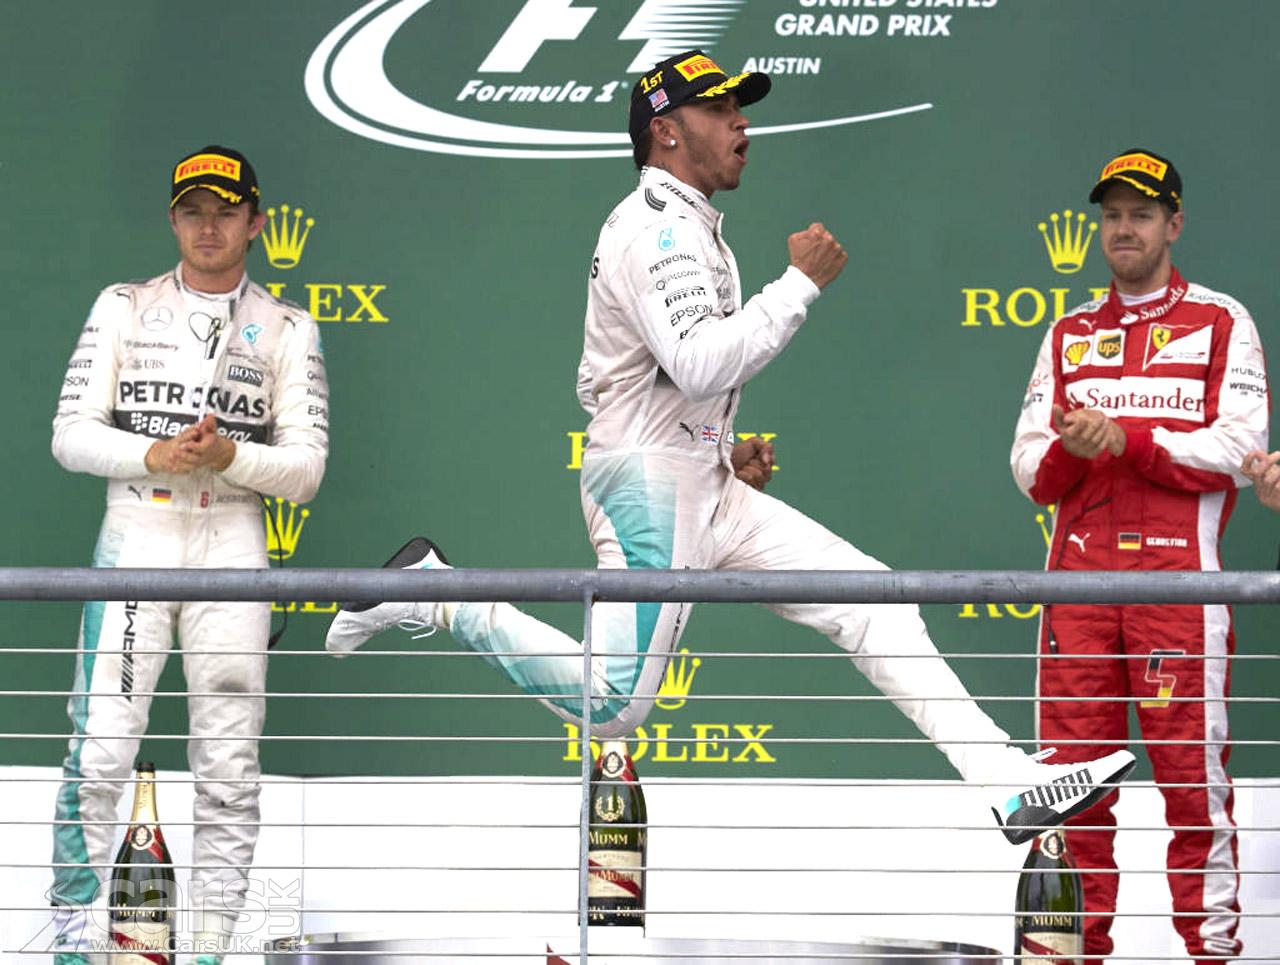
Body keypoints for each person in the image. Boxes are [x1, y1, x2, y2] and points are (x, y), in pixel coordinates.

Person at [327, 52, 1133, 844]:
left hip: (693, 477)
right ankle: (435, 593)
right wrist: (799, 285)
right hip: (649, 487)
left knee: (872, 598)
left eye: (738, 108)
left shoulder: (683, 225)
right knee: (614, 707)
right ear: (667, 132)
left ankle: (1009, 787)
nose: (742, 123)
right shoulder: (657, 229)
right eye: (721, 110)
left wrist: (715, 442)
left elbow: (632, 378)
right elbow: (698, 359)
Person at [48, 146, 329, 963]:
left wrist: (227, 457)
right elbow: (70, 436)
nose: (209, 225)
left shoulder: (288, 326)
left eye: (225, 210)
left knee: (230, 763)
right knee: (100, 747)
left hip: (234, 542)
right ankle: (73, 943)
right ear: (173, 217)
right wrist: (156, 456)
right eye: (193, 209)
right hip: (137, 533)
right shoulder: (123, 306)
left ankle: (207, 949)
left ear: (256, 221)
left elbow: (306, 473)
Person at [1011, 148, 1269, 962]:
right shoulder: (1069, 332)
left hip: (1178, 591)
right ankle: (1067, 953)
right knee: (1072, 795)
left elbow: (1237, 446)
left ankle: (1213, 955)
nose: (1124, 228)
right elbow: (1027, 468)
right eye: (1112, 215)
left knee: (1195, 793)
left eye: (1142, 214)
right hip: (1079, 593)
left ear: (1174, 224)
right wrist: (1077, 451)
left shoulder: (1221, 321)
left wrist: (1128, 439)